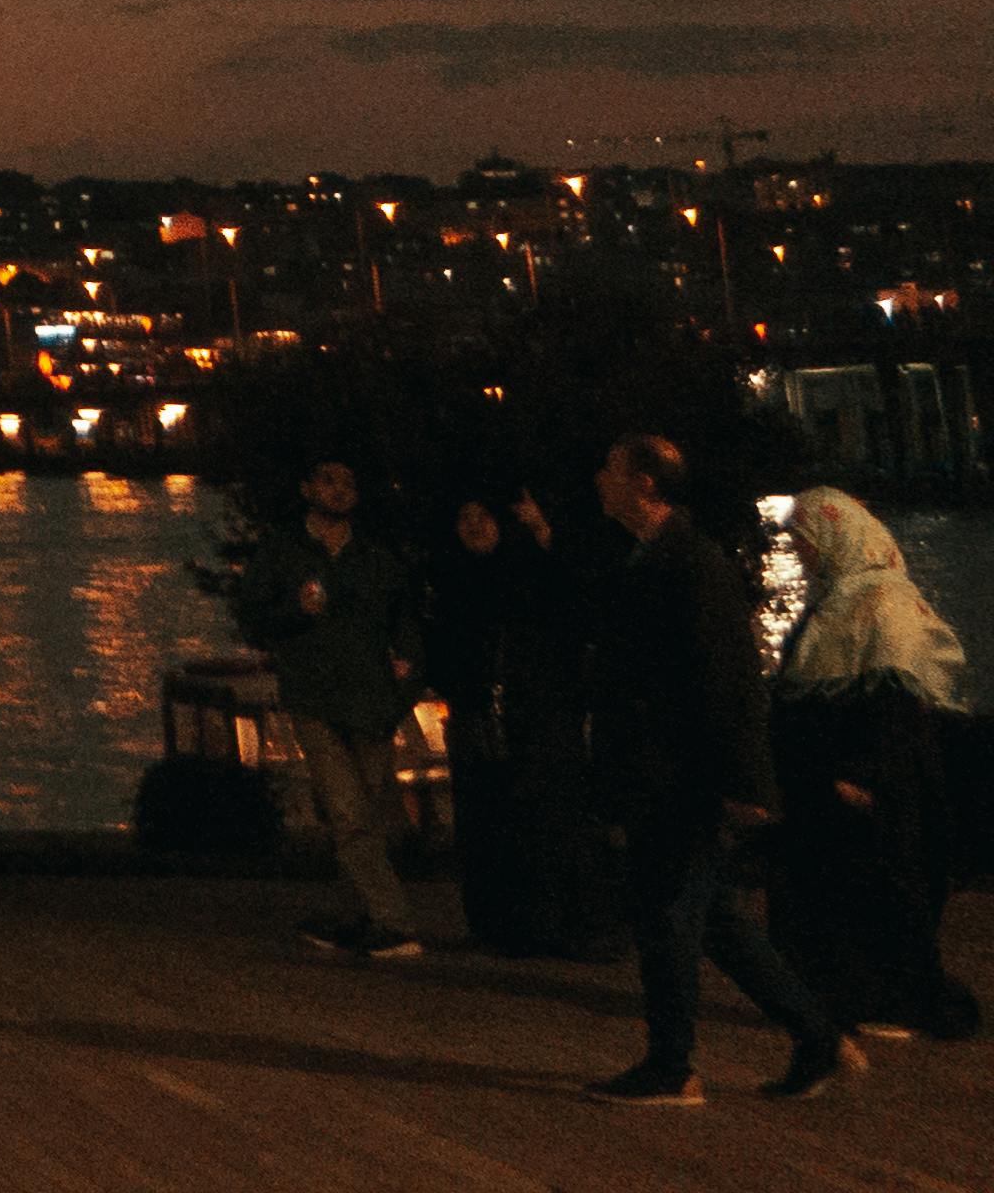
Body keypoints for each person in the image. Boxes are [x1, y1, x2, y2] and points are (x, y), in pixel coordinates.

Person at [585, 430, 849, 1104]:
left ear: (645, 482)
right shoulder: (653, 558)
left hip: (679, 776)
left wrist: (744, 783)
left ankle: (673, 1065)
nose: (600, 479)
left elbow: (726, 681)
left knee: (668, 915)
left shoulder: (690, 564)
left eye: (612, 468)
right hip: (664, 771)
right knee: (714, 920)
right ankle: (816, 1036)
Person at [769, 489, 973, 1046]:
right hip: (841, 777)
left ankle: (903, 1000)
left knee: (884, 886)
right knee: (844, 887)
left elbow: (898, 705)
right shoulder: (840, 601)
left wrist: (865, 775)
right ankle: (849, 994)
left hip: (879, 782)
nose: (801, 551)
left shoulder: (882, 604)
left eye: (806, 540)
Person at [235, 455, 427, 959]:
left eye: (347, 482)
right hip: (316, 699)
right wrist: (295, 611)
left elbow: (405, 620)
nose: (339, 489)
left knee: (364, 814)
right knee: (347, 811)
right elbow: (252, 616)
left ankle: (357, 915)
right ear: (307, 489)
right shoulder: (283, 551)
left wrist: (406, 676)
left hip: (371, 703)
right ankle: (393, 921)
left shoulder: (375, 556)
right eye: (328, 480)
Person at [439, 487, 613, 958]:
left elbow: (575, 608)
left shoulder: (531, 571)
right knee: (489, 820)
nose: (475, 525)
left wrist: (542, 532)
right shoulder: (454, 581)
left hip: (540, 713)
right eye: (465, 516)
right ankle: (504, 924)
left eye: (484, 515)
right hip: (480, 716)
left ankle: (572, 922)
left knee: (551, 816)